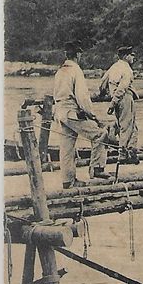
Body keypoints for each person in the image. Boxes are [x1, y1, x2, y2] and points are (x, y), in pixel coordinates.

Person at [54, 40, 110, 186]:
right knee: (100, 134)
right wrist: (92, 115)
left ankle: (68, 180)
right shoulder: (76, 70)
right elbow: (82, 97)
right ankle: (97, 168)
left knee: (67, 147)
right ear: (78, 55)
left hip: (60, 113)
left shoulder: (60, 71)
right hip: (72, 112)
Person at [99, 45, 139, 165]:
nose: (133, 58)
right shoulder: (127, 69)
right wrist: (113, 102)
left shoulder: (114, 67)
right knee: (127, 126)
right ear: (126, 56)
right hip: (124, 97)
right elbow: (123, 87)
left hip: (116, 98)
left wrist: (103, 92)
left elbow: (103, 81)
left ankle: (131, 152)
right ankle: (123, 154)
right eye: (131, 55)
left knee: (127, 125)